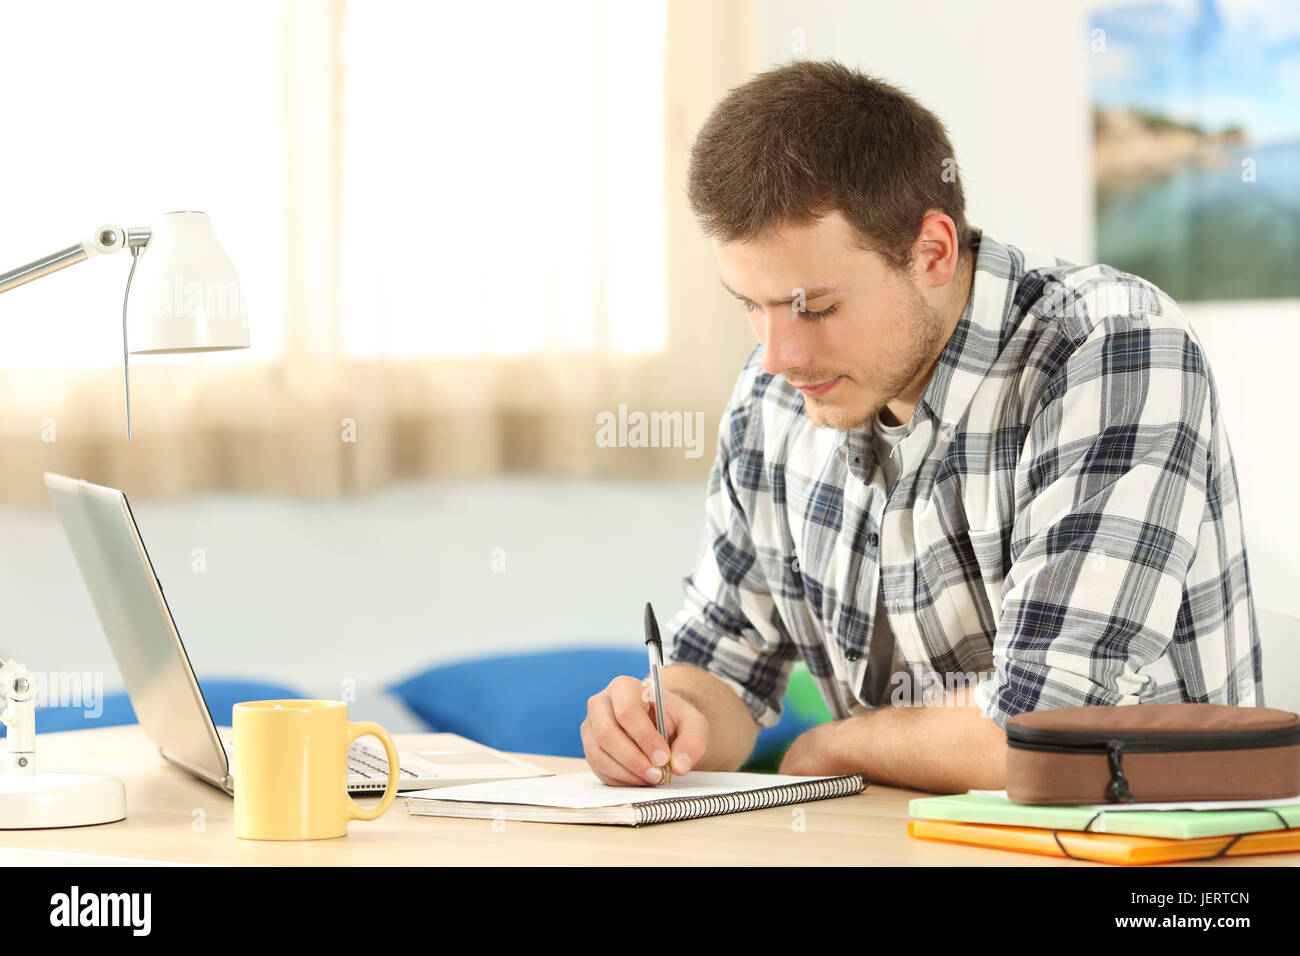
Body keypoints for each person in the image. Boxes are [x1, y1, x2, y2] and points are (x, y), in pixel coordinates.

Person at [580, 59, 1261, 794]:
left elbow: (1053, 726)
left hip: (1140, 861)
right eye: (752, 304)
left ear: (932, 251)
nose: (777, 355)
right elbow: (722, 658)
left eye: (813, 307)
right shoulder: (772, 393)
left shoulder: (1111, 344)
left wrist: (835, 748)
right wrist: (669, 715)